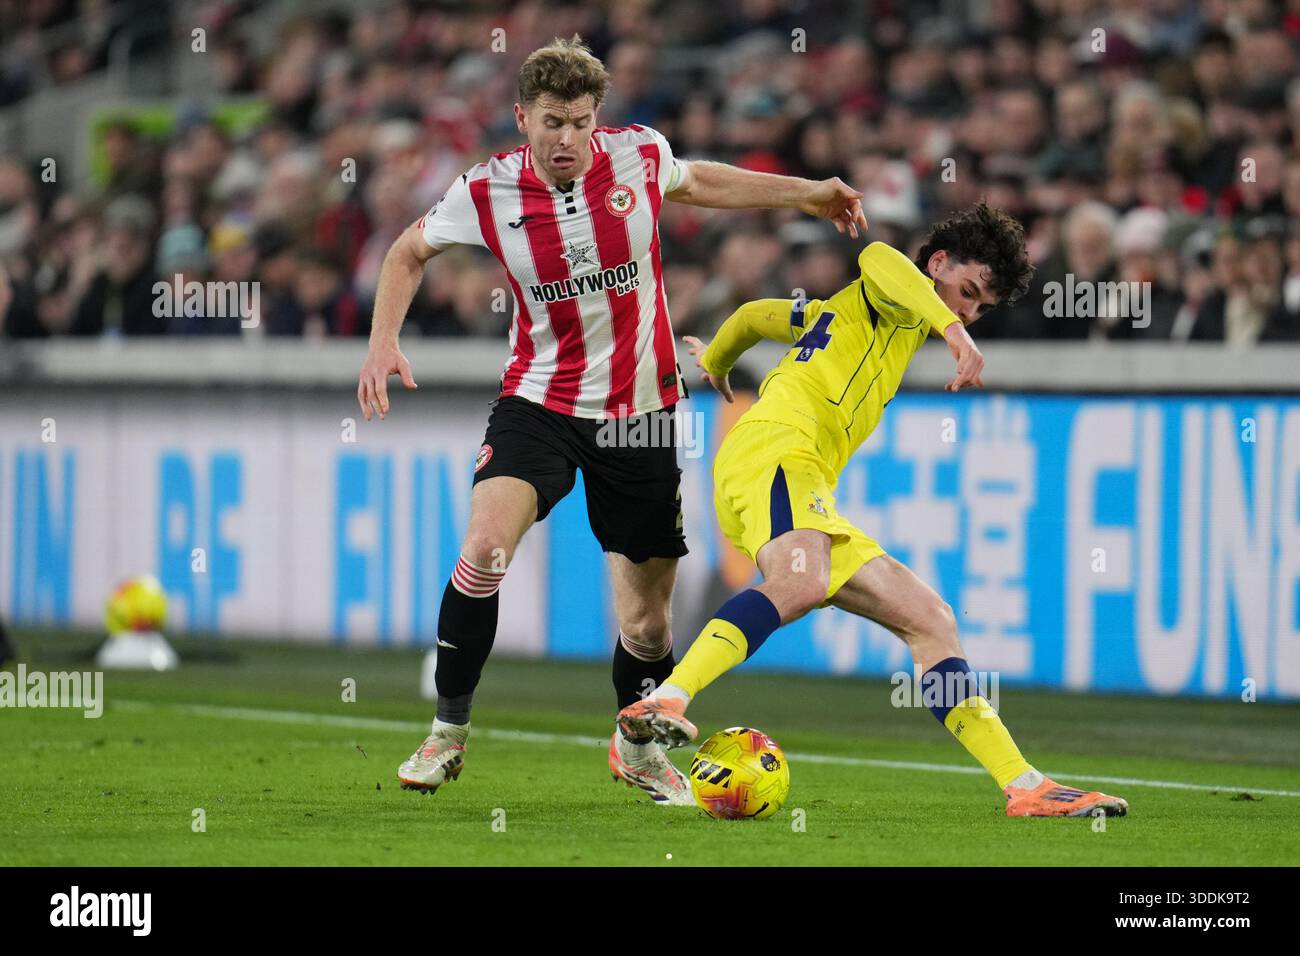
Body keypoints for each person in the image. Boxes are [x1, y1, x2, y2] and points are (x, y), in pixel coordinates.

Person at [356, 36, 868, 804]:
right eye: (553, 122)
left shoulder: (638, 156)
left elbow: (706, 184)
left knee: (649, 629)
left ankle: (634, 749)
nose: (568, 139)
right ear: (523, 117)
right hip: (539, 400)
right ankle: (446, 734)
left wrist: (807, 192)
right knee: (486, 549)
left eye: (582, 122)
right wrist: (381, 343)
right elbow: (405, 252)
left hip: (644, 410)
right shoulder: (485, 190)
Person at [618, 203, 1130, 818]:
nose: (968, 311)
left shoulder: (837, 315)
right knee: (800, 580)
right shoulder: (887, 292)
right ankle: (667, 699)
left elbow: (755, 316)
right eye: (966, 292)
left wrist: (718, 363)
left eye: (980, 309)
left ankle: (1023, 785)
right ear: (937, 264)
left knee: (931, 618)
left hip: (800, 477)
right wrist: (951, 329)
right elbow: (879, 259)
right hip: (776, 450)